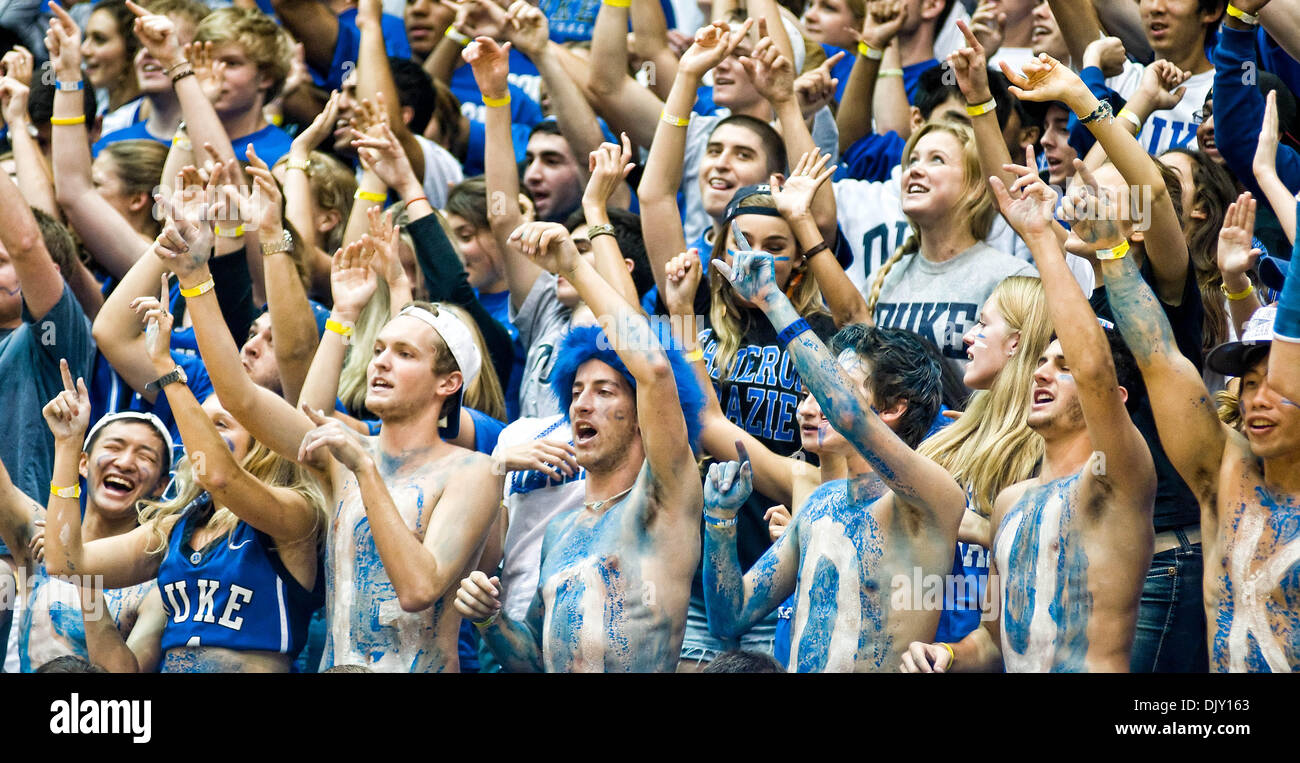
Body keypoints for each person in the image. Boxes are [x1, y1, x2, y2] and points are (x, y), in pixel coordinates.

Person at [175, 176, 503, 671]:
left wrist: (365, 470)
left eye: (404, 354)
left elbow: (419, 589)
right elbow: (243, 399)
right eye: (377, 351)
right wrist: (195, 276)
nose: (379, 364)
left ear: (448, 383)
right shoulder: (345, 456)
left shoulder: (472, 472)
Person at [903, 156, 1157, 672]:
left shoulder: (1115, 480)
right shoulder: (1011, 501)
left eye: (1062, 367)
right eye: (1040, 361)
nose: (1042, 373)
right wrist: (946, 654)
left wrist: (1041, 237)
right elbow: (997, 640)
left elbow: (1095, 371)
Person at [41, 271, 328, 672]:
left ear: (263, 442)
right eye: (201, 423)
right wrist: (69, 446)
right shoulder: (177, 525)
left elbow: (221, 477)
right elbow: (65, 564)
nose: (200, 436)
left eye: (221, 425)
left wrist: (166, 367)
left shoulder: (296, 515)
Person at [453, 219, 705, 672]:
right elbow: (532, 659)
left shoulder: (662, 499)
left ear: (644, 417)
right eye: (575, 392)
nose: (581, 406)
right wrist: (491, 621)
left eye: (605, 391)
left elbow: (654, 369)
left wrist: (574, 265)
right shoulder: (559, 531)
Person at [1101, 214, 1300, 669]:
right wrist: (1112, 252)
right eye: (1248, 384)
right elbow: (1158, 357)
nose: (1258, 400)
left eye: (1274, 384)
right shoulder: (1226, 474)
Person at [0, 403, 169, 672]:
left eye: (145, 457)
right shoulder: (38, 536)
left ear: (161, 486)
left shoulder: (154, 587)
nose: (125, 463)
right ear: (83, 462)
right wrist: (67, 441)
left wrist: (79, 569)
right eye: (114, 447)